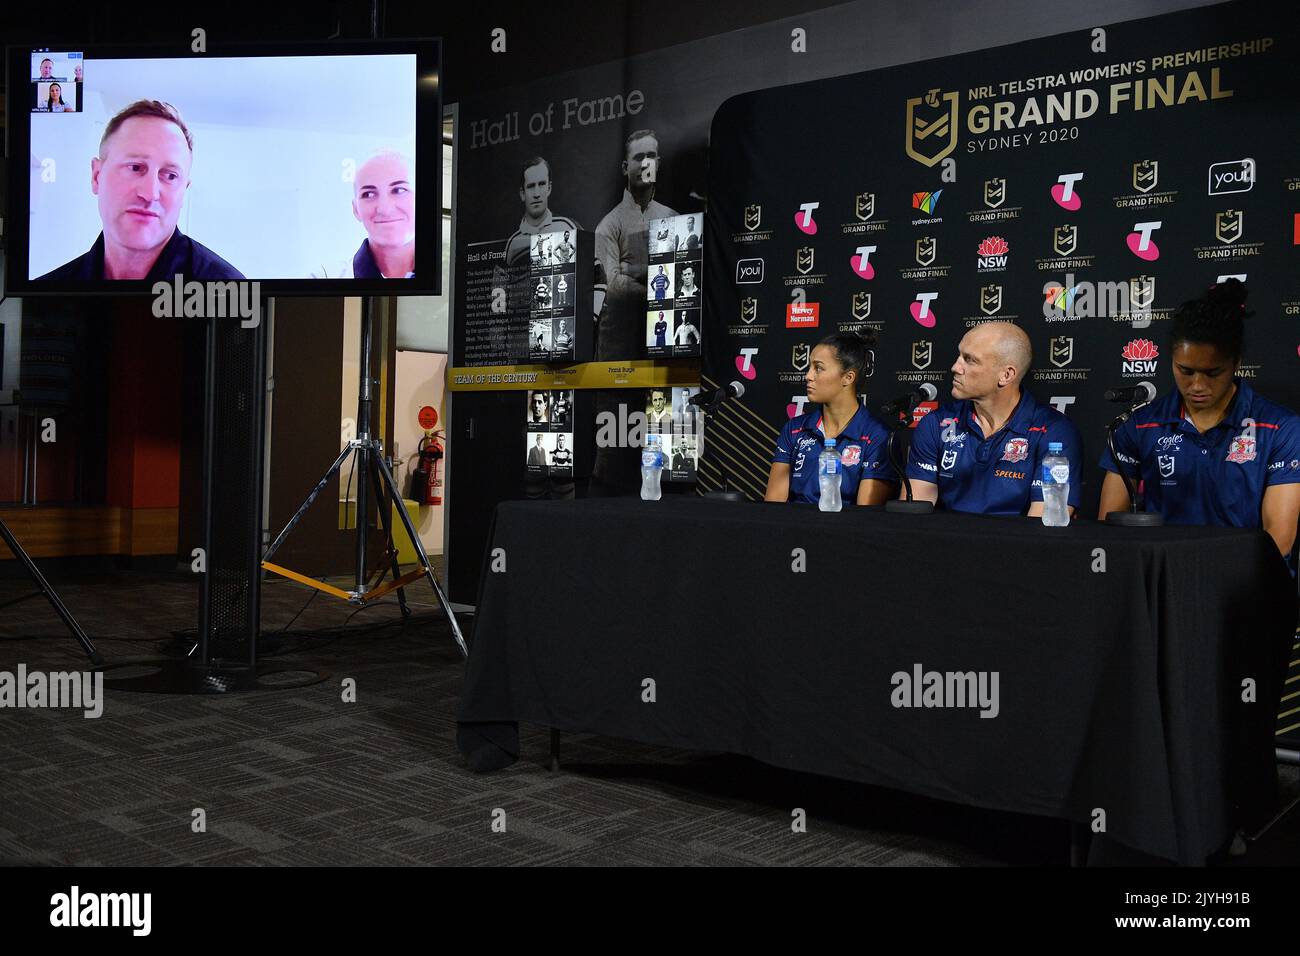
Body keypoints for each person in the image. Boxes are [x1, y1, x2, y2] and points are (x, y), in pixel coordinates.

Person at [1098, 280, 1300, 561]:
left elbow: (1280, 538)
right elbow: (1110, 527)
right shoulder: (1139, 425)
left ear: (1237, 363)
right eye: (1185, 370)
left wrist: (1212, 580)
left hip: (1243, 588)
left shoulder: (1280, 428)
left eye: (1213, 372)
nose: (1197, 385)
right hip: (1165, 582)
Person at [39, 100, 244, 281]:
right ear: (97, 176)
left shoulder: (228, 290)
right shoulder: (45, 296)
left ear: (183, 192)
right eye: (135, 167)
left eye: (170, 175)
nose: (150, 193)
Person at [903, 321, 1082, 516]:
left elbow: (1043, 527)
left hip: (1018, 544)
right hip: (944, 542)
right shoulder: (936, 423)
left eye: (970, 360)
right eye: (959, 355)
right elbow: (914, 515)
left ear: (1006, 375)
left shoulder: (1055, 432)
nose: (955, 367)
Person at [766, 331, 895, 506]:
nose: (808, 376)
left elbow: (866, 517)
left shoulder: (877, 436)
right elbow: (773, 507)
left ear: (848, 377)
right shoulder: (794, 429)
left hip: (847, 531)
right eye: (810, 367)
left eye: (818, 368)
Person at [594, 129, 678, 360]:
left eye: (650, 156)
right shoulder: (609, 225)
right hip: (618, 348)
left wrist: (633, 273)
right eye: (638, 158)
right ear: (624, 167)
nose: (645, 164)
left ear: (658, 164)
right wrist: (659, 285)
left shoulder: (672, 217)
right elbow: (612, 287)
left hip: (661, 342)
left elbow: (682, 279)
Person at [503, 157, 580, 273]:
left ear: (549, 188)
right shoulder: (513, 243)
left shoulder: (568, 227)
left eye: (542, 184)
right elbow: (500, 288)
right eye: (531, 186)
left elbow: (595, 267)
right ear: (522, 194)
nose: (537, 194)